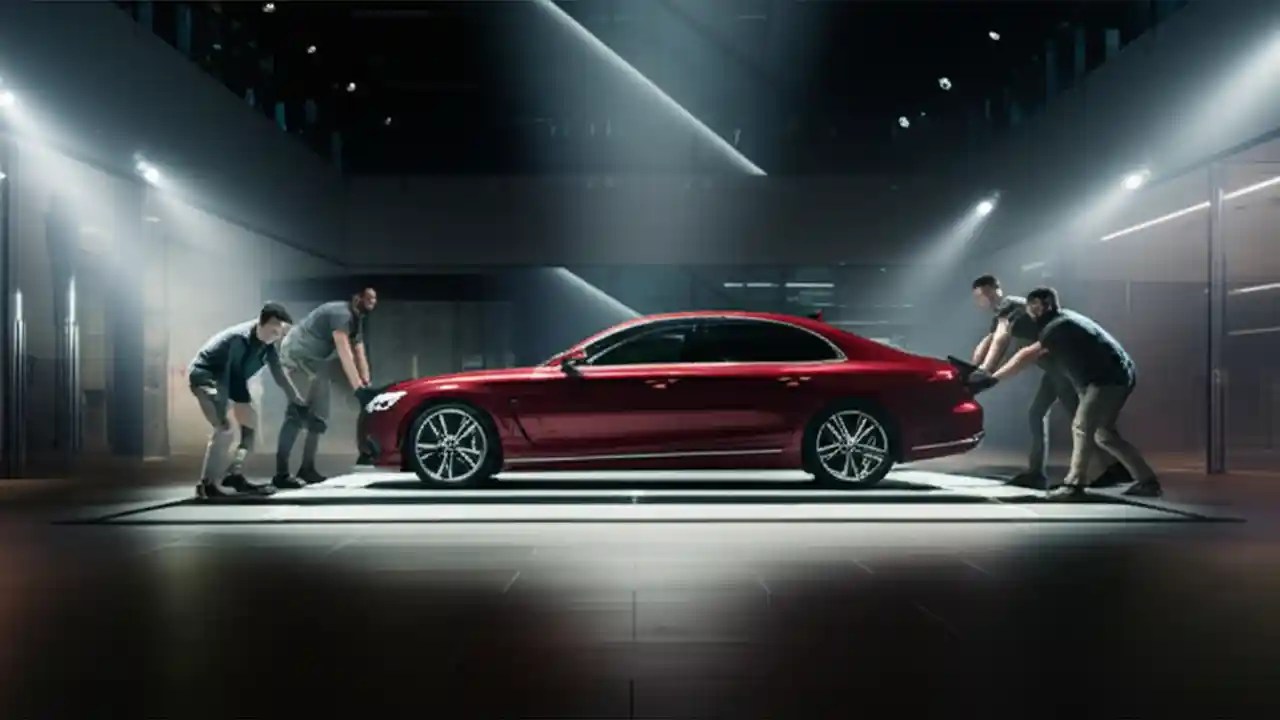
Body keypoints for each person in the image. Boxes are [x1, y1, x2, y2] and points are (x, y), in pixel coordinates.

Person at [969, 287, 1162, 500]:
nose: (1030, 312)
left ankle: (1074, 485)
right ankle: (1147, 481)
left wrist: (992, 379)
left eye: (1034, 307)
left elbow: (1025, 356)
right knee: (1104, 435)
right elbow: (1005, 345)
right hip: (1111, 377)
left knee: (1082, 427)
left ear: (1041, 307)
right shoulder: (1061, 321)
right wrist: (984, 371)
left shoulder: (1056, 327)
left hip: (1107, 380)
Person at [189, 302, 306, 498]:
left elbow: (279, 374)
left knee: (250, 424)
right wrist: (223, 406)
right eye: (274, 331)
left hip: (232, 382)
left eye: (280, 334)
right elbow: (229, 375)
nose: (276, 337)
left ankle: (234, 474)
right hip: (207, 379)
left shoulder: (268, 346)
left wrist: (297, 399)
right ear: (262, 323)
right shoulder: (238, 339)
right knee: (225, 429)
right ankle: (206, 485)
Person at [274, 288, 379, 487]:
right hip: (297, 357)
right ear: (357, 298)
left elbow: (359, 351)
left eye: (374, 299)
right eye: (368, 298)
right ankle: (281, 473)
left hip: (316, 362)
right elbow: (344, 352)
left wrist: (367, 382)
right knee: (297, 414)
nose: (373, 302)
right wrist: (358, 389)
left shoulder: (356, 321)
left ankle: (307, 468)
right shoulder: (341, 314)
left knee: (319, 416)